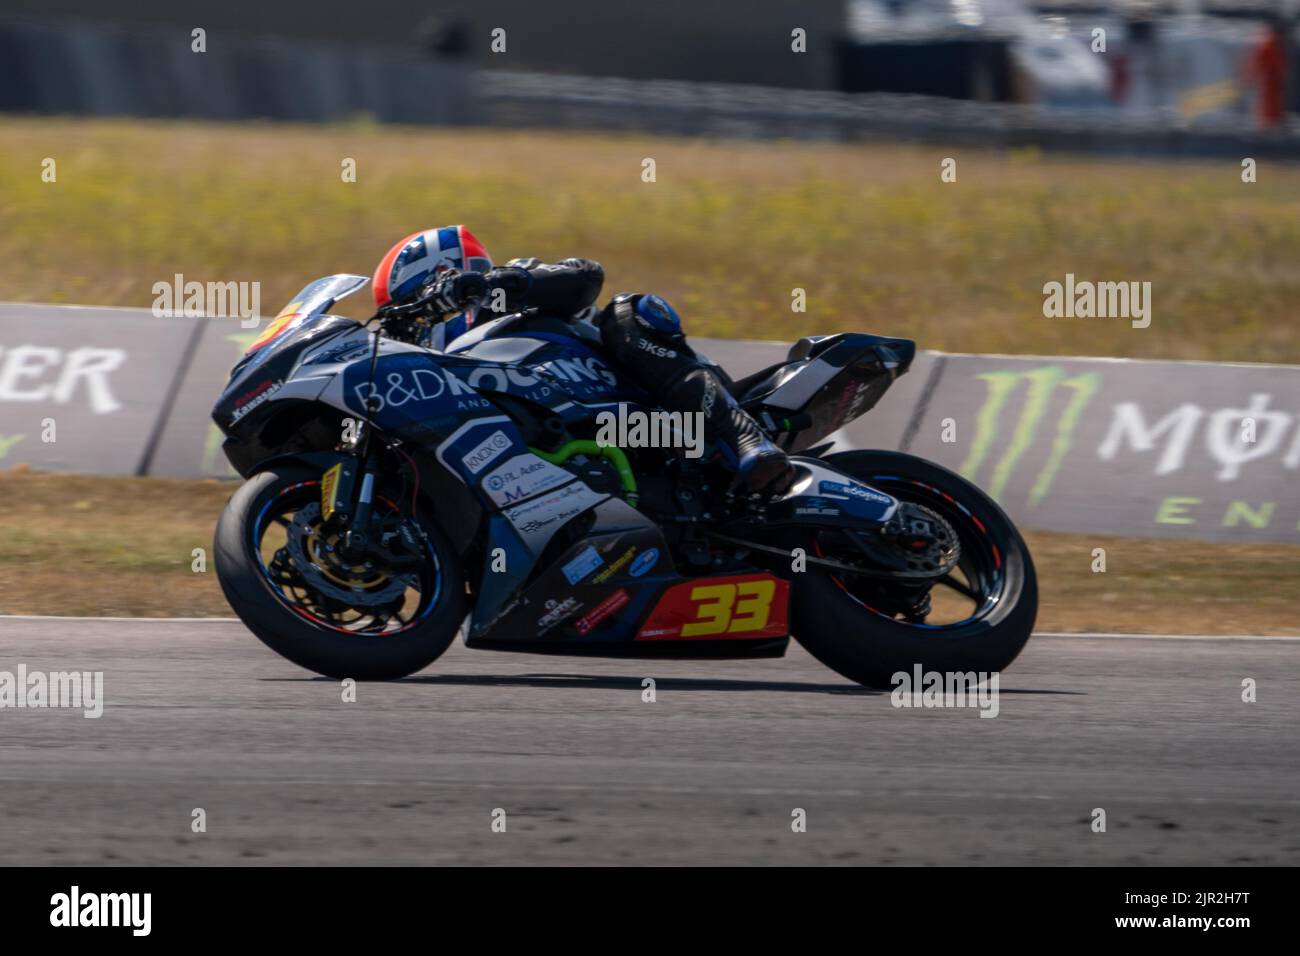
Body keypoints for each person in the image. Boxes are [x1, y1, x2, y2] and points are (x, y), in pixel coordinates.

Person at [371, 225, 795, 494]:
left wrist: (500, 282)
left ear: (444, 273)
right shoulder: (442, 365)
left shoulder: (506, 289)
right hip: (615, 436)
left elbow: (586, 277)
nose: (415, 317)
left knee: (628, 312)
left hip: (658, 405)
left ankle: (743, 436)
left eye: (413, 301)